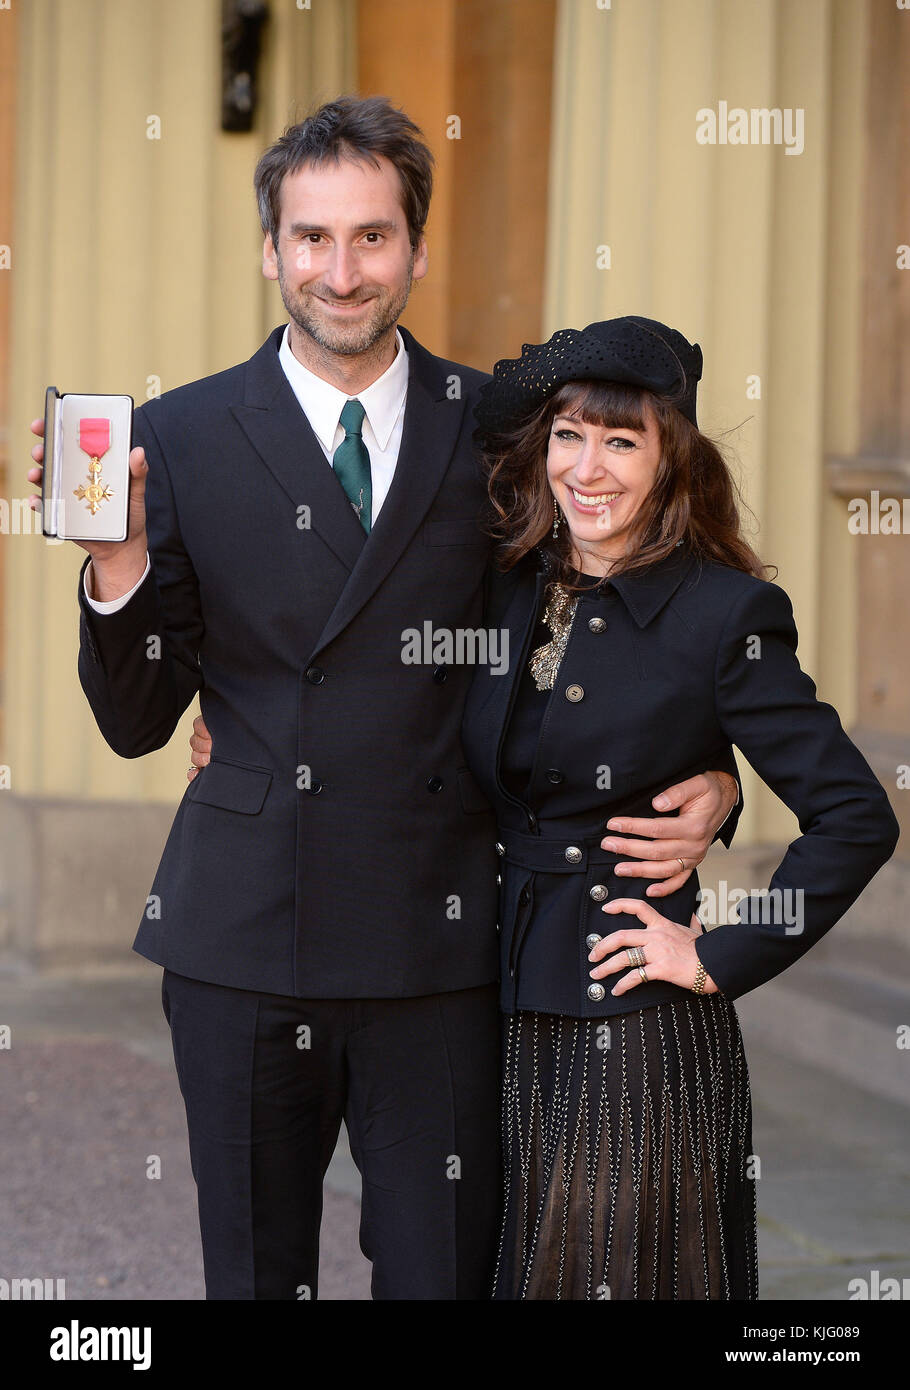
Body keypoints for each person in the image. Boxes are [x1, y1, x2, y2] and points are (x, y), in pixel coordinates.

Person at [27, 98, 740, 1300]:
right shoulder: (180, 437)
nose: (340, 270)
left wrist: (712, 765)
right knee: (254, 1278)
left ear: (416, 249)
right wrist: (117, 568)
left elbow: (606, 615)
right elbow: (138, 718)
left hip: (443, 939)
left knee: (443, 1278)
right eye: (311, 238)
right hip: (246, 937)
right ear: (269, 250)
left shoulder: (503, 432)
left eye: (370, 238)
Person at [454, 315, 900, 1300]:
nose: (588, 467)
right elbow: (482, 412)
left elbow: (856, 815)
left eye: (622, 439)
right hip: (497, 1006)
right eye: (568, 433)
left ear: (672, 462)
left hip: (635, 1025)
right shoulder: (511, 579)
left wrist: (715, 952)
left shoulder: (721, 613)